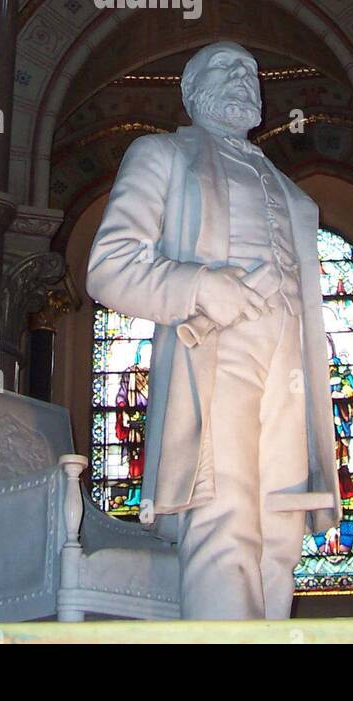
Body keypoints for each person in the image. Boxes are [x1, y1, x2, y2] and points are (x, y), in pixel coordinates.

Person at [87, 42, 339, 619]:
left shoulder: (285, 184)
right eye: (225, 69)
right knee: (223, 513)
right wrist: (201, 286)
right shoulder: (160, 154)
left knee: (281, 528)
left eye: (250, 71)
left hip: (291, 355)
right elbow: (108, 268)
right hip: (216, 347)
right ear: (190, 90)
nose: (243, 79)